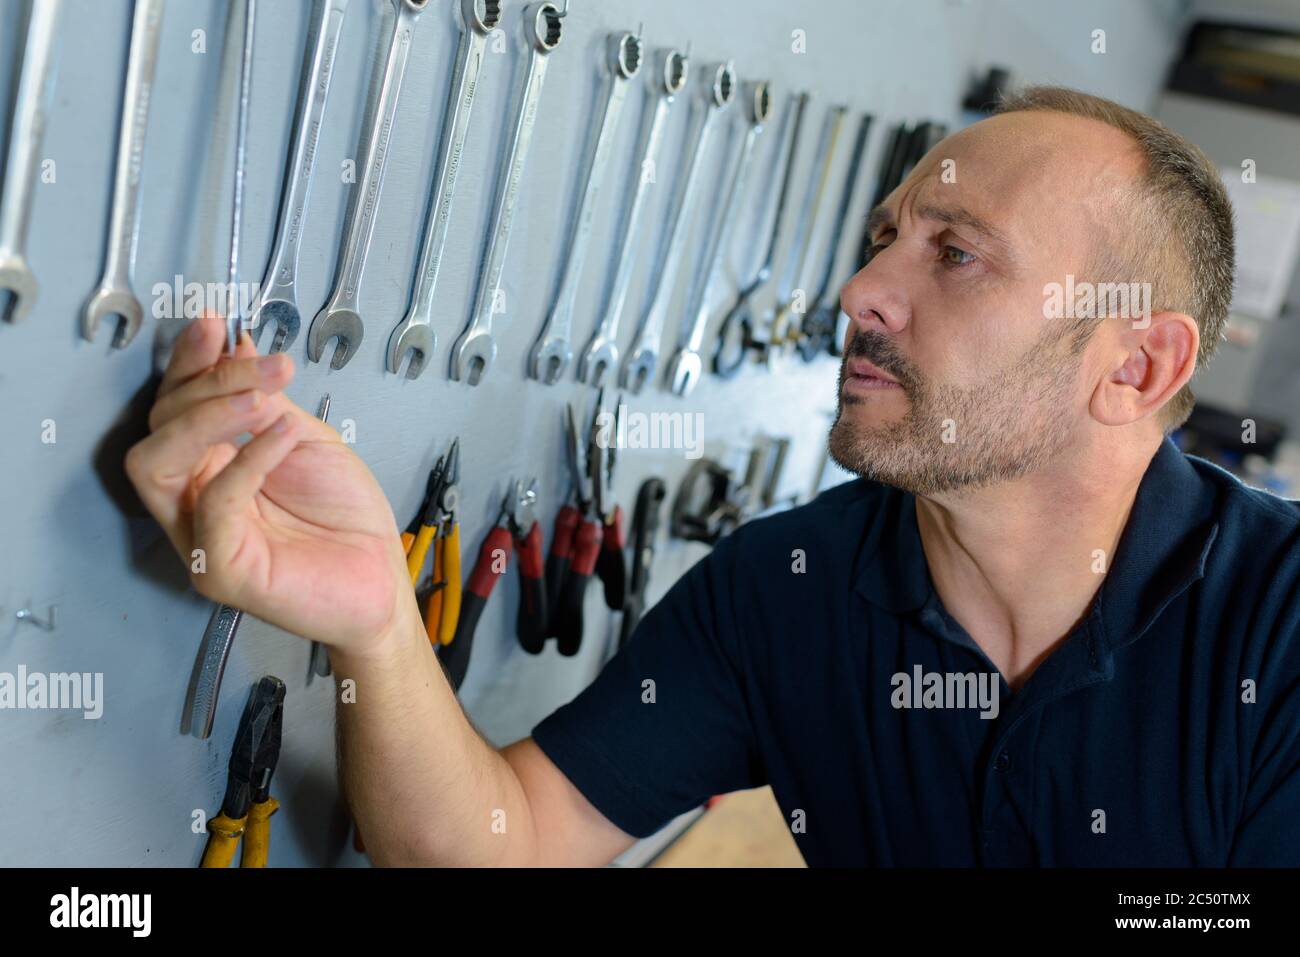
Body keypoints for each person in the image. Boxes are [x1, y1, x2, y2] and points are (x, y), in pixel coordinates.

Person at [126, 86, 1300, 866]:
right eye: (885, 236)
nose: (861, 292)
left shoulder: (1280, 623)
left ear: (1134, 364)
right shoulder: (786, 589)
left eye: (955, 255)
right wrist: (379, 618)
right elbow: (510, 840)